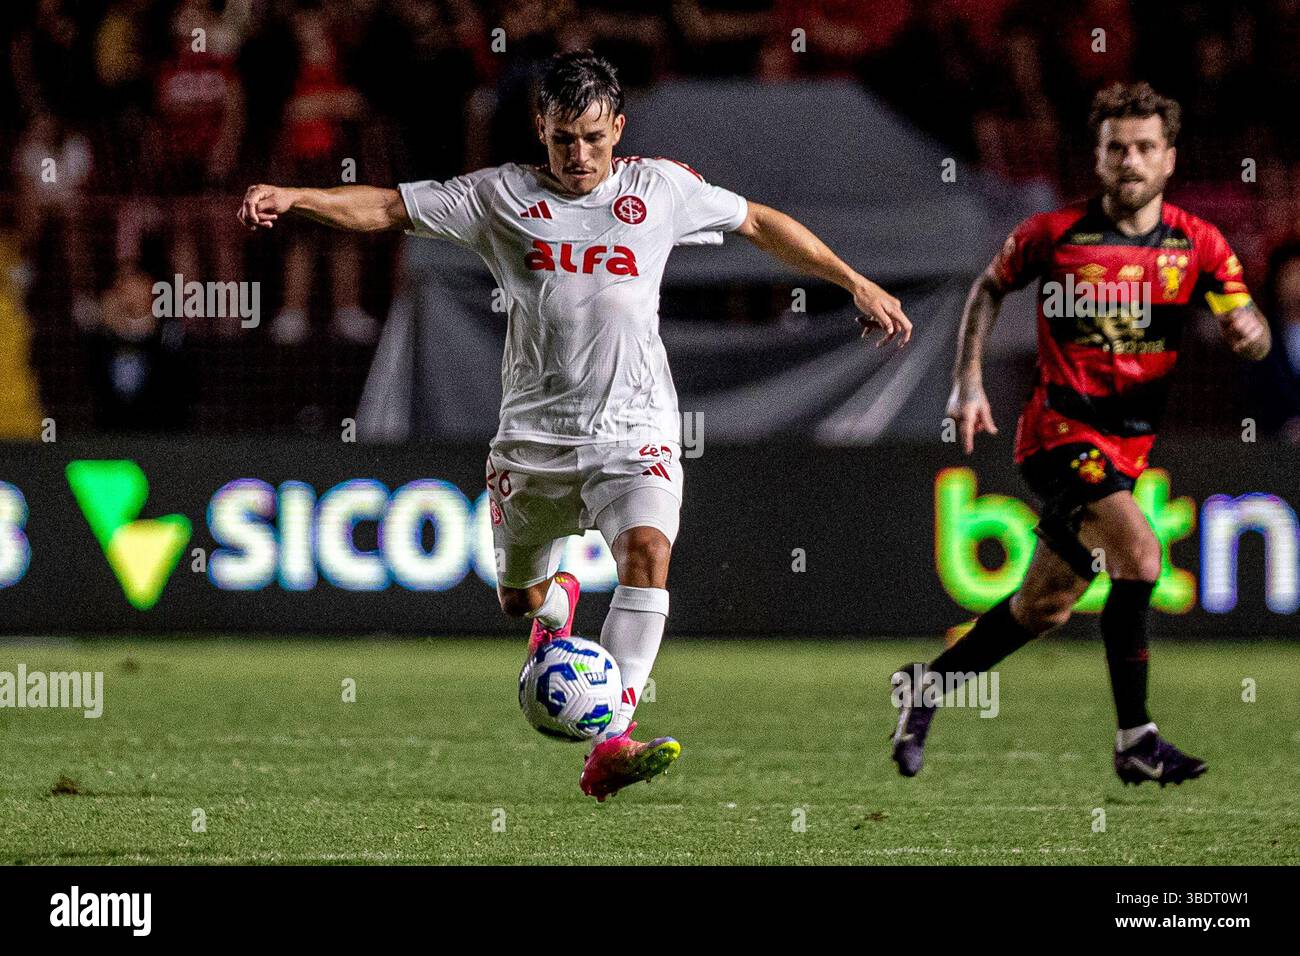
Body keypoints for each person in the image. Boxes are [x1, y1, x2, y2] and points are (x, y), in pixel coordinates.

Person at [239, 50, 911, 800]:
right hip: (534, 440)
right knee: (519, 602)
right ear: (542, 130)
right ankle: (554, 604)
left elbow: (757, 221)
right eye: (564, 139)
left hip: (636, 431)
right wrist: (296, 196)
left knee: (647, 553)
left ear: (617, 128)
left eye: (594, 137)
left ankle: (611, 744)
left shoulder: (659, 189)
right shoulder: (499, 196)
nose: (580, 155)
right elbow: (390, 208)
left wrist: (853, 281)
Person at [893, 81, 1270, 787]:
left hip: (1128, 446)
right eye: (1116, 147)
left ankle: (928, 688)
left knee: (1045, 606)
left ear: (1169, 158)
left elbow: (1246, 321)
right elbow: (988, 289)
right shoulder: (1054, 234)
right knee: (1140, 553)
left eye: (1145, 147)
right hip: (1058, 433)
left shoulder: (1200, 244)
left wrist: (1247, 333)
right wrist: (967, 381)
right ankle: (1137, 739)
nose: (1130, 160)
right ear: (1097, 157)